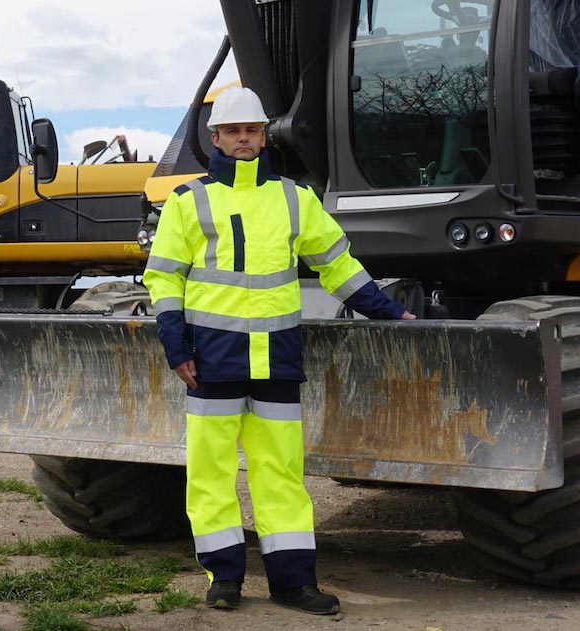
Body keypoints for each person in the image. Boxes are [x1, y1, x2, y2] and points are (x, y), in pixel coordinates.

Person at [143, 86, 415, 616]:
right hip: (211, 361)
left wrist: (384, 309)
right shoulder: (187, 201)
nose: (243, 139)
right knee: (210, 473)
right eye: (233, 131)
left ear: (264, 136)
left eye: (251, 130)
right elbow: (165, 279)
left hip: (276, 360)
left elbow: (336, 263)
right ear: (216, 138)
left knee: (282, 475)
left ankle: (294, 584)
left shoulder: (296, 199)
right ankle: (224, 579)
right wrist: (176, 348)